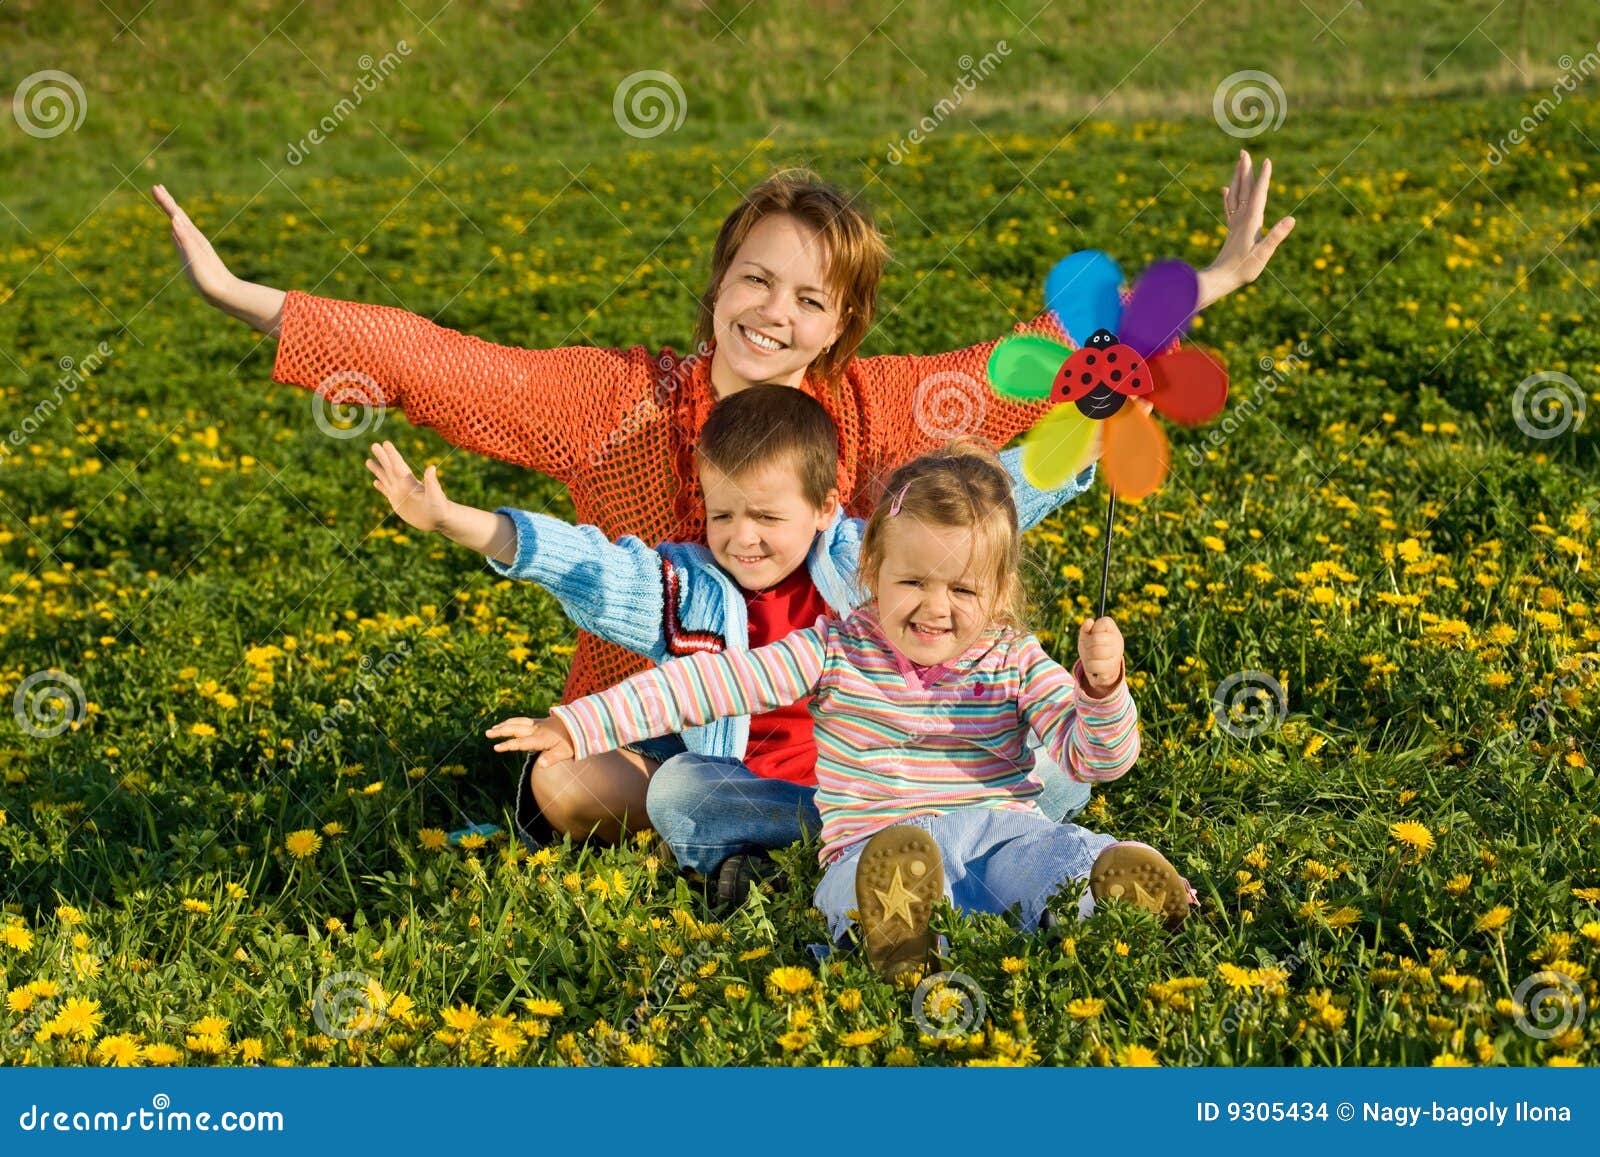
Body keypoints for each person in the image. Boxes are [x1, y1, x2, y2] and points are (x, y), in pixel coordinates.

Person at [152, 154, 1292, 841]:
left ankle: (892, 811)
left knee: (1010, 728)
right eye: (755, 277)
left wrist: (1212, 279)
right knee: (564, 785)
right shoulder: (623, 401)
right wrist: (248, 297)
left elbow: (1046, 354)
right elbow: (451, 365)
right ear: (717, 286)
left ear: (841, 323)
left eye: (809, 297)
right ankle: (836, 826)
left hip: (856, 705)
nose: (773, 313)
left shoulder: (882, 407)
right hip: (662, 720)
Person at [485, 440, 1197, 976]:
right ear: (872, 573)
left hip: (998, 826)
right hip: (876, 838)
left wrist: (1101, 692)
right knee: (864, 881)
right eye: (912, 580)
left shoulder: (1013, 655)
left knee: (1047, 856)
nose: (935, 608)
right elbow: (707, 684)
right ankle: (896, 932)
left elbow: (1096, 758)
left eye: (963, 590)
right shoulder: (833, 646)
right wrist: (581, 721)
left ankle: (1108, 885)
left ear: (1000, 592)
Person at [368, 385, 1097, 898]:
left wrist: (1088, 431)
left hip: (906, 772)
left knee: (1066, 770)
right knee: (683, 787)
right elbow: (589, 563)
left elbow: (995, 498)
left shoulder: (868, 562)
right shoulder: (686, 588)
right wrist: (454, 520)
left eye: (765, 517)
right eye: (723, 514)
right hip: (783, 796)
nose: (741, 538)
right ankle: (864, 850)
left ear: (824, 508)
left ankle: (818, 858)